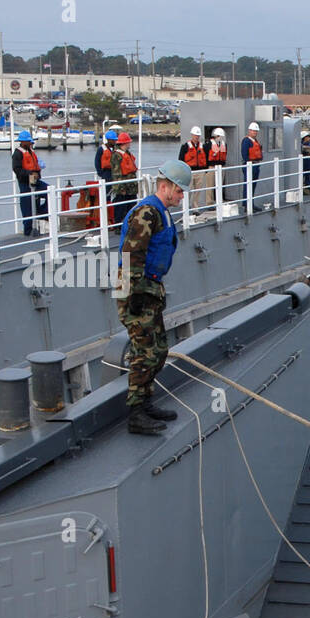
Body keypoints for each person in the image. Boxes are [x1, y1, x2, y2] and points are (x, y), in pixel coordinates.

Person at [112, 160, 192, 435]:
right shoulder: (147, 213)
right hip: (136, 288)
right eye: (179, 191)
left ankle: (145, 401)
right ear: (165, 187)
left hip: (148, 287)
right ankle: (136, 412)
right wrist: (132, 293)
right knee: (145, 350)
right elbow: (130, 254)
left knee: (158, 349)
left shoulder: (162, 213)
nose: (182, 196)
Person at [12, 130, 48, 237]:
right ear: (23, 142)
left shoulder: (31, 151)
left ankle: (41, 213)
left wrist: (37, 174)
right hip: (25, 184)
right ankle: (27, 233)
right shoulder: (17, 154)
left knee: (50, 192)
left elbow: (36, 165)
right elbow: (17, 170)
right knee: (27, 209)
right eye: (29, 142)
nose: (31, 143)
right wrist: (30, 173)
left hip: (36, 182)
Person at [110, 131, 138, 229]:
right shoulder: (116, 156)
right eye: (129, 142)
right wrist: (121, 187)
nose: (130, 144)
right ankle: (118, 226)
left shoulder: (127, 153)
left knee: (131, 205)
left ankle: (131, 224)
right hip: (122, 187)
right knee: (120, 206)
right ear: (125, 143)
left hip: (131, 186)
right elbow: (117, 173)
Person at [179, 125, 210, 209]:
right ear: (192, 135)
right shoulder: (185, 146)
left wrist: (205, 170)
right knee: (188, 190)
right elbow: (181, 159)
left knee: (197, 191)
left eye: (198, 135)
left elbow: (207, 158)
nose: (197, 137)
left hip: (200, 171)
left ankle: (195, 207)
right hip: (189, 172)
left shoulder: (203, 146)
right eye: (195, 135)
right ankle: (185, 207)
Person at [241, 121, 263, 202]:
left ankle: (251, 203)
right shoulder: (246, 141)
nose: (255, 132)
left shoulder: (255, 141)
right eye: (253, 131)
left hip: (256, 165)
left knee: (253, 185)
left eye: (256, 131)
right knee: (248, 185)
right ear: (249, 131)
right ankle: (247, 204)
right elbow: (244, 154)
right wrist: (249, 164)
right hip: (249, 165)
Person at [207, 127, 228, 203]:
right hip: (212, 167)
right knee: (210, 186)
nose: (220, 138)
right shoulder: (209, 144)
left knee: (220, 185)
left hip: (221, 167)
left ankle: (219, 200)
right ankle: (209, 203)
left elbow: (225, 155)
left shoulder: (224, 144)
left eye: (221, 136)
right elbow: (206, 155)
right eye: (218, 136)